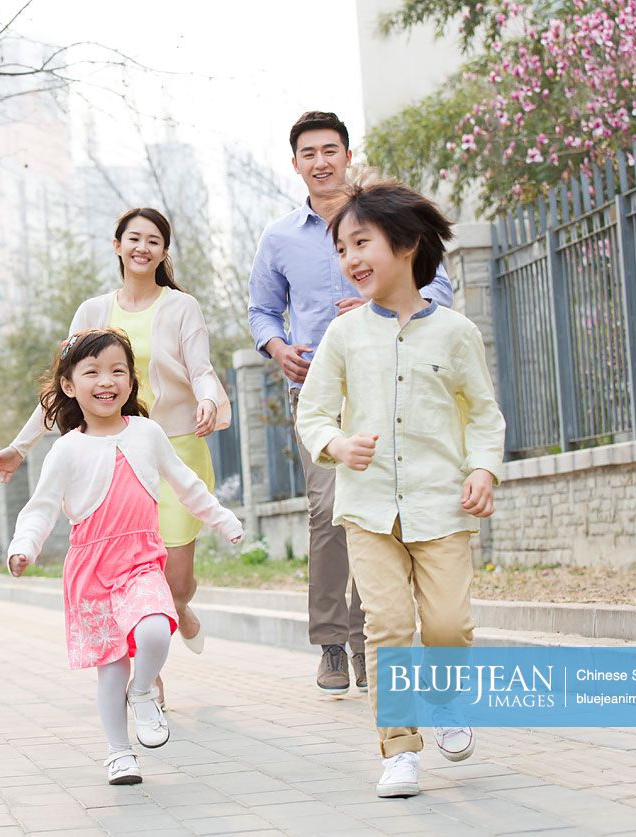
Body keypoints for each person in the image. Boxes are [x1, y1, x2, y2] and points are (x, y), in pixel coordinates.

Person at [294, 178, 505, 799]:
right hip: (367, 510)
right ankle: (399, 749)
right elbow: (313, 414)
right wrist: (336, 445)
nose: (350, 259)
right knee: (386, 626)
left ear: (408, 244)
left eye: (362, 242)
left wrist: (483, 469)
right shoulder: (343, 336)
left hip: (443, 506)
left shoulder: (456, 333)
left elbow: (485, 414)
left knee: (446, 624)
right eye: (341, 250)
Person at [247, 111, 456, 697]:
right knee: (328, 511)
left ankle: (373, 642)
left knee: (377, 507)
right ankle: (332, 641)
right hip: (317, 390)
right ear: (295, 164)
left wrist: (385, 302)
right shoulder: (279, 237)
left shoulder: (384, 220)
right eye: (309, 152)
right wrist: (278, 346)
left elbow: (438, 285)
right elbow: (261, 309)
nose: (321, 161)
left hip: (388, 384)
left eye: (331, 149)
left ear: (345, 154)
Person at [0, 208, 229, 682]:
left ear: (164, 252)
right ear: (117, 245)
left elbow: (201, 368)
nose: (143, 248)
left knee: (174, 581)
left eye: (154, 241)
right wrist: (21, 446)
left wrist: (207, 399)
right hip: (117, 457)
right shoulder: (92, 312)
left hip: (177, 447)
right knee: (132, 575)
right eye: (133, 239)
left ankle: (180, 606)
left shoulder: (183, 307)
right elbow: (65, 386)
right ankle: (148, 679)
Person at [6, 328, 242, 785]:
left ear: (131, 382)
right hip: (91, 572)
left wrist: (222, 519)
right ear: (70, 386)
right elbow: (40, 509)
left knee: (156, 629)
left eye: (118, 370)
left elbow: (185, 483)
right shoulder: (66, 450)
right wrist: (23, 547)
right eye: (91, 372)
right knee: (110, 668)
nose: (106, 380)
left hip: (139, 560)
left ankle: (144, 693)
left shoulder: (147, 433)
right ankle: (119, 753)